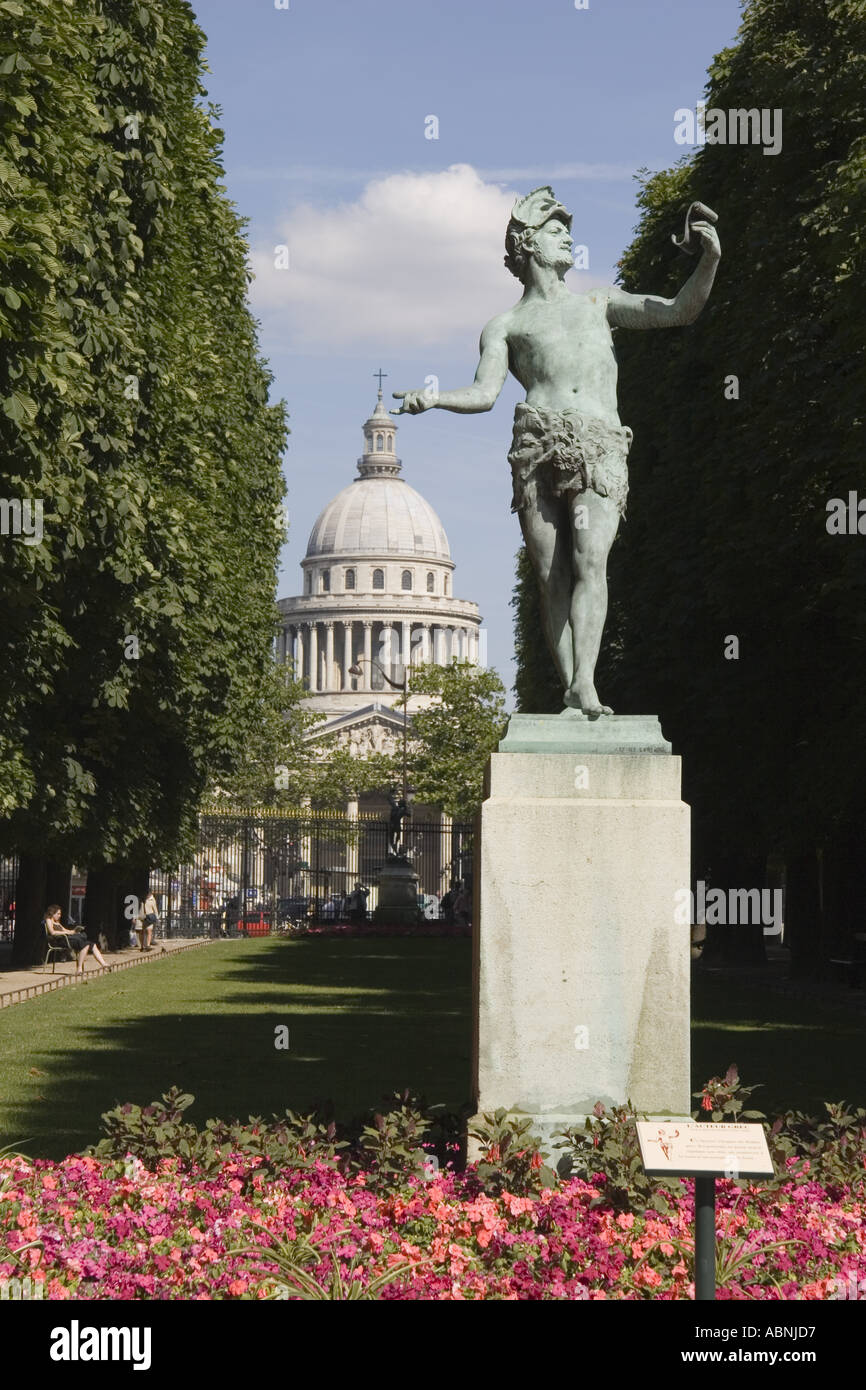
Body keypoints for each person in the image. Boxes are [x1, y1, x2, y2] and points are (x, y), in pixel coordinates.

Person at [394, 186, 720, 715]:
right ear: (526, 244)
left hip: (597, 445)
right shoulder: (506, 325)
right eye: (554, 229)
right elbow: (484, 395)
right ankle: (570, 689)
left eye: (566, 229)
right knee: (551, 575)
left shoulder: (600, 303)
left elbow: (678, 311)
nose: (567, 236)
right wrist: (433, 398)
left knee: (591, 560)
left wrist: (709, 259)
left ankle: (586, 684)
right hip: (536, 447)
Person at [43, 904, 107, 973]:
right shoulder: (48, 920)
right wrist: (66, 933)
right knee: (86, 945)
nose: (59, 916)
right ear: (52, 913)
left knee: (92, 944)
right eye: (58, 914)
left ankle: (104, 964)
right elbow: (52, 932)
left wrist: (74, 931)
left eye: (60, 914)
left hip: (66, 939)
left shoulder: (57, 922)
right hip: (60, 941)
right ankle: (79, 969)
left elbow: (66, 930)